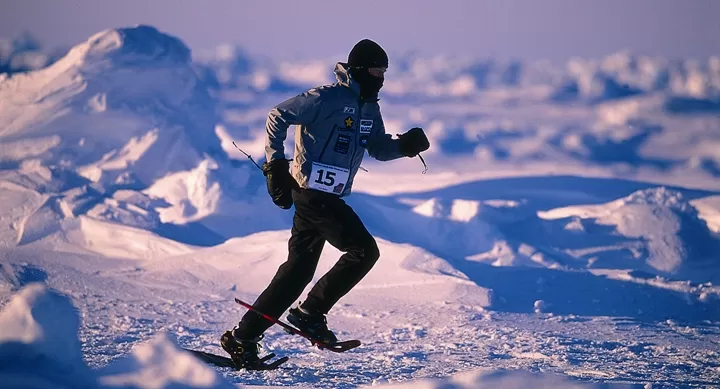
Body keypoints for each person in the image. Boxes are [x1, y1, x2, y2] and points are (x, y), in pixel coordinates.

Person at [220, 38, 430, 368]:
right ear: (360, 71)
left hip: (326, 197)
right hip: (311, 194)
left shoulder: (369, 108)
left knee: (296, 273)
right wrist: (275, 164)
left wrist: (405, 146)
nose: (382, 77)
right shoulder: (325, 98)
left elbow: (376, 147)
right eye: (377, 70)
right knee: (364, 251)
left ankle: (242, 338)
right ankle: (310, 313)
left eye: (385, 72)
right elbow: (278, 116)